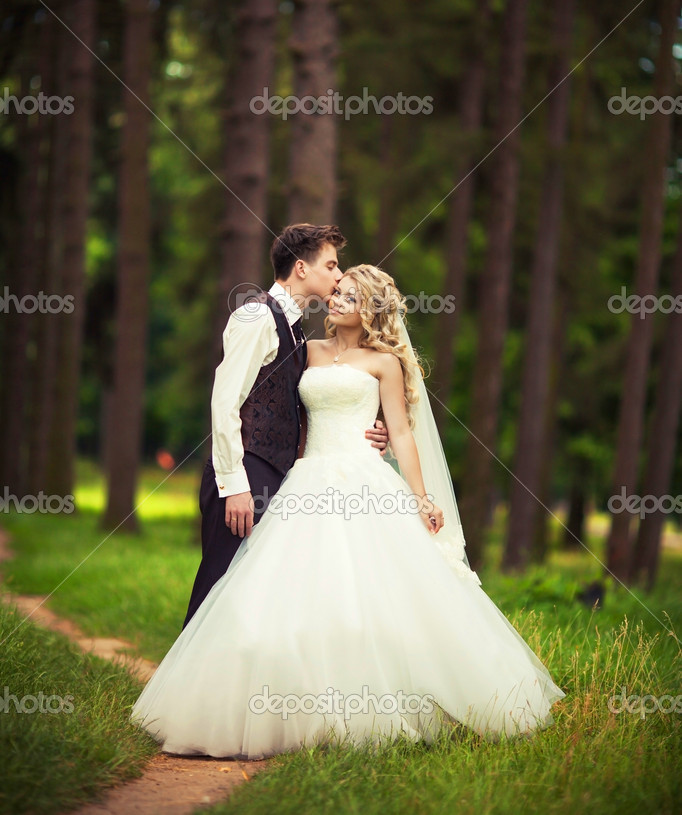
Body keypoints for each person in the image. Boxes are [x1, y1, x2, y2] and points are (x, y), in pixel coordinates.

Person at [133, 265, 565, 758]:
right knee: (286, 593)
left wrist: (420, 496)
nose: (336, 300)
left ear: (371, 311)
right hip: (307, 479)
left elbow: (400, 432)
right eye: (337, 291)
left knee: (370, 595)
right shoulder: (306, 351)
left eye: (350, 297)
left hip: (363, 481)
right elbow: (282, 410)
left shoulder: (384, 362)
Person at [182, 224, 388, 627]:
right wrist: (234, 484)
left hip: (276, 477)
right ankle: (186, 688)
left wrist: (367, 428)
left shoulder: (293, 330)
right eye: (330, 265)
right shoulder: (256, 316)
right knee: (217, 590)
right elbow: (225, 402)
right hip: (245, 475)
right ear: (300, 268)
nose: (337, 275)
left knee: (248, 599)